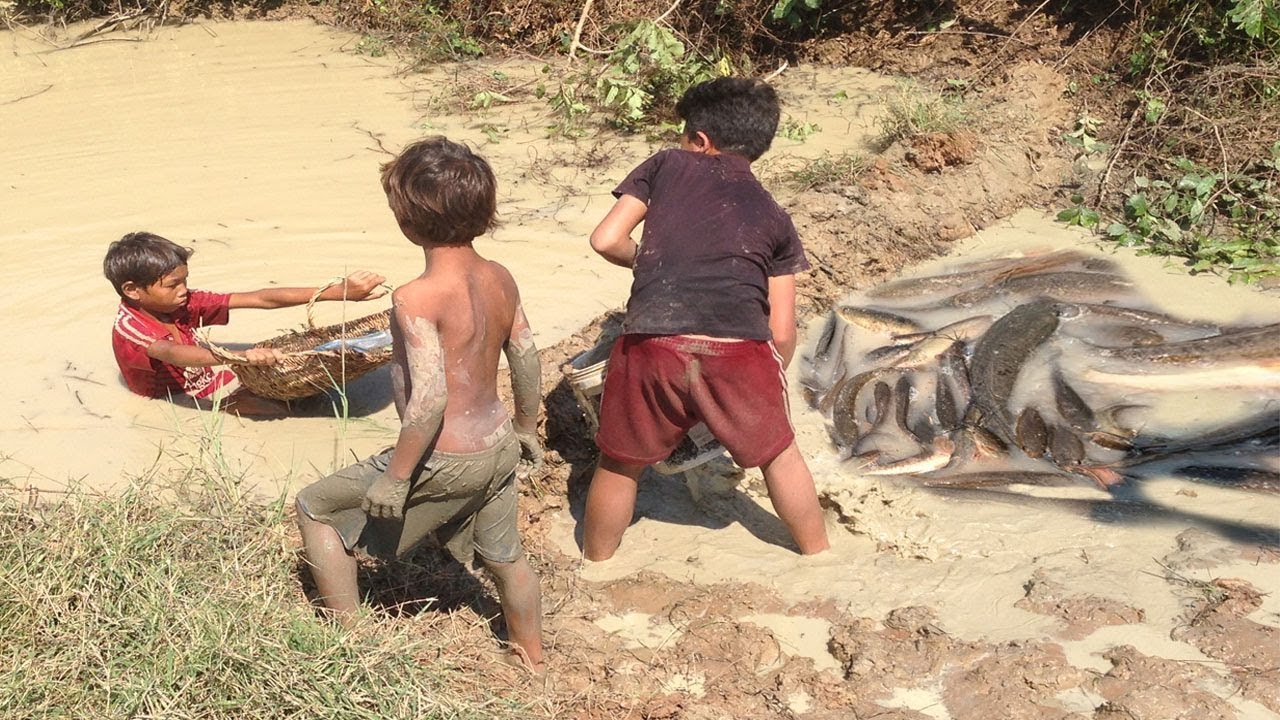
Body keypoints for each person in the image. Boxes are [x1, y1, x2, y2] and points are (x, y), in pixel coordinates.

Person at [294, 137, 546, 673]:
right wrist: (525, 426)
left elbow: (429, 402)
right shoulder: (500, 276)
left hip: (445, 456)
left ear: (407, 223)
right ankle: (533, 660)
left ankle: (353, 645)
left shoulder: (417, 296)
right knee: (506, 559)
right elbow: (525, 356)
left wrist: (396, 477)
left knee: (314, 508)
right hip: (497, 444)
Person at [582, 76, 831, 560]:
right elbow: (781, 331)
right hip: (740, 351)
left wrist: (658, 262)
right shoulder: (776, 216)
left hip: (653, 343)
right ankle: (819, 554)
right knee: (780, 454)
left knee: (619, 462)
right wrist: (760, 383)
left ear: (699, 140)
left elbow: (605, 239)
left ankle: (596, 565)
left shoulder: (667, 163)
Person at [103, 231, 386, 417]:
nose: (183, 290)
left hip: (211, 378)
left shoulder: (180, 302)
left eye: (185, 280)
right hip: (177, 399)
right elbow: (172, 353)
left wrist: (338, 292)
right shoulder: (132, 328)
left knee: (306, 385)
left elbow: (261, 299)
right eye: (173, 284)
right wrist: (240, 357)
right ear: (132, 290)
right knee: (279, 408)